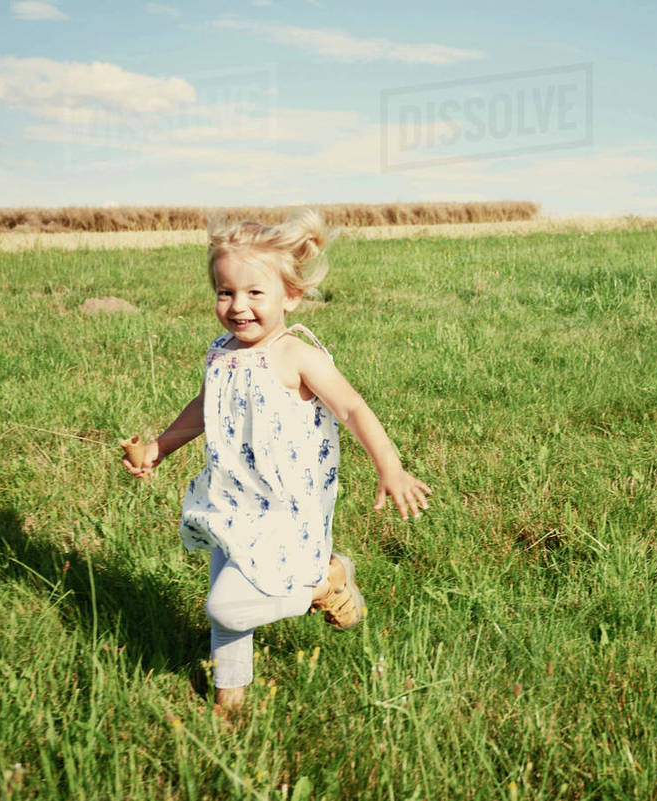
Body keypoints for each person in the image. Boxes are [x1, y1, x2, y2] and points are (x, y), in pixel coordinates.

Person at [122, 210, 432, 714]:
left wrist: (390, 467)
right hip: (230, 496)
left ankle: (325, 582)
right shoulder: (220, 353)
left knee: (226, 603)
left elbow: (352, 408)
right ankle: (231, 700)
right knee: (225, 602)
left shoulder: (296, 356)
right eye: (225, 293)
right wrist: (159, 447)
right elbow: (204, 408)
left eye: (254, 293)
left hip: (284, 507)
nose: (237, 306)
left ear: (291, 296)